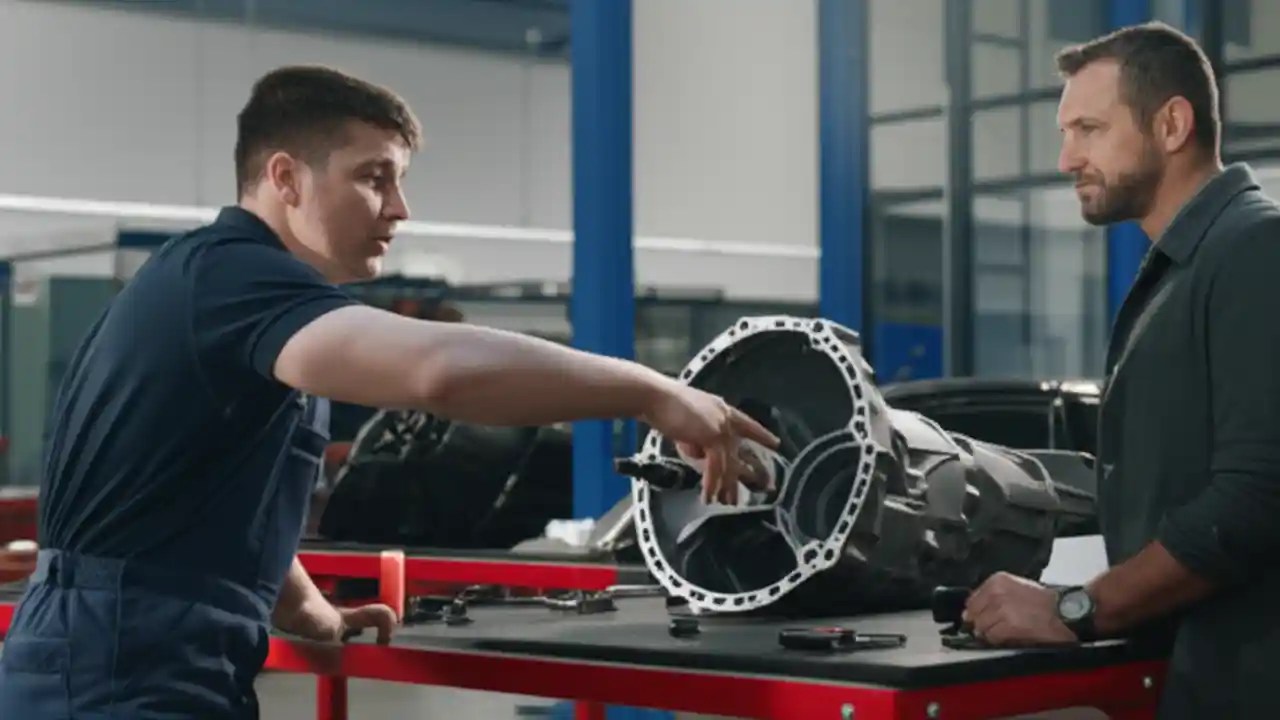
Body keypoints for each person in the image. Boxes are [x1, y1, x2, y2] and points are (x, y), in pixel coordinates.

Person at [0, 65, 778, 719]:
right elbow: (438, 372)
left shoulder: (255, 309)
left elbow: (212, 501)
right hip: (111, 667)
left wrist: (307, 610)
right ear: (285, 178)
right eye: (374, 179)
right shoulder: (230, 278)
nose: (399, 211)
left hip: (147, 655)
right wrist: (651, 393)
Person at [961, 21, 1280, 718]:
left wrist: (1076, 609)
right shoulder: (1184, 267)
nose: (1066, 157)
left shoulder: (1257, 248)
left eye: (1089, 129)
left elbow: (1256, 499)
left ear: (1171, 123)